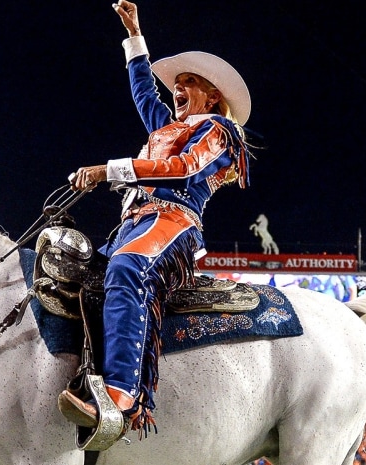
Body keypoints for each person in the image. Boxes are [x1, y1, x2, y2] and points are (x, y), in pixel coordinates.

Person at [63, 0, 251, 433]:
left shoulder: (220, 131)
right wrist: (134, 35)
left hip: (174, 223)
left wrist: (107, 170)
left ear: (213, 94)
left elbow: (183, 169)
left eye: (188, 83)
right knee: (81, 279)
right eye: (177, 84)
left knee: (129, 268)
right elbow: (144, 91)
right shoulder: (167, 129)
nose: (177, 89)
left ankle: (123, 398)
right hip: (133, 224)